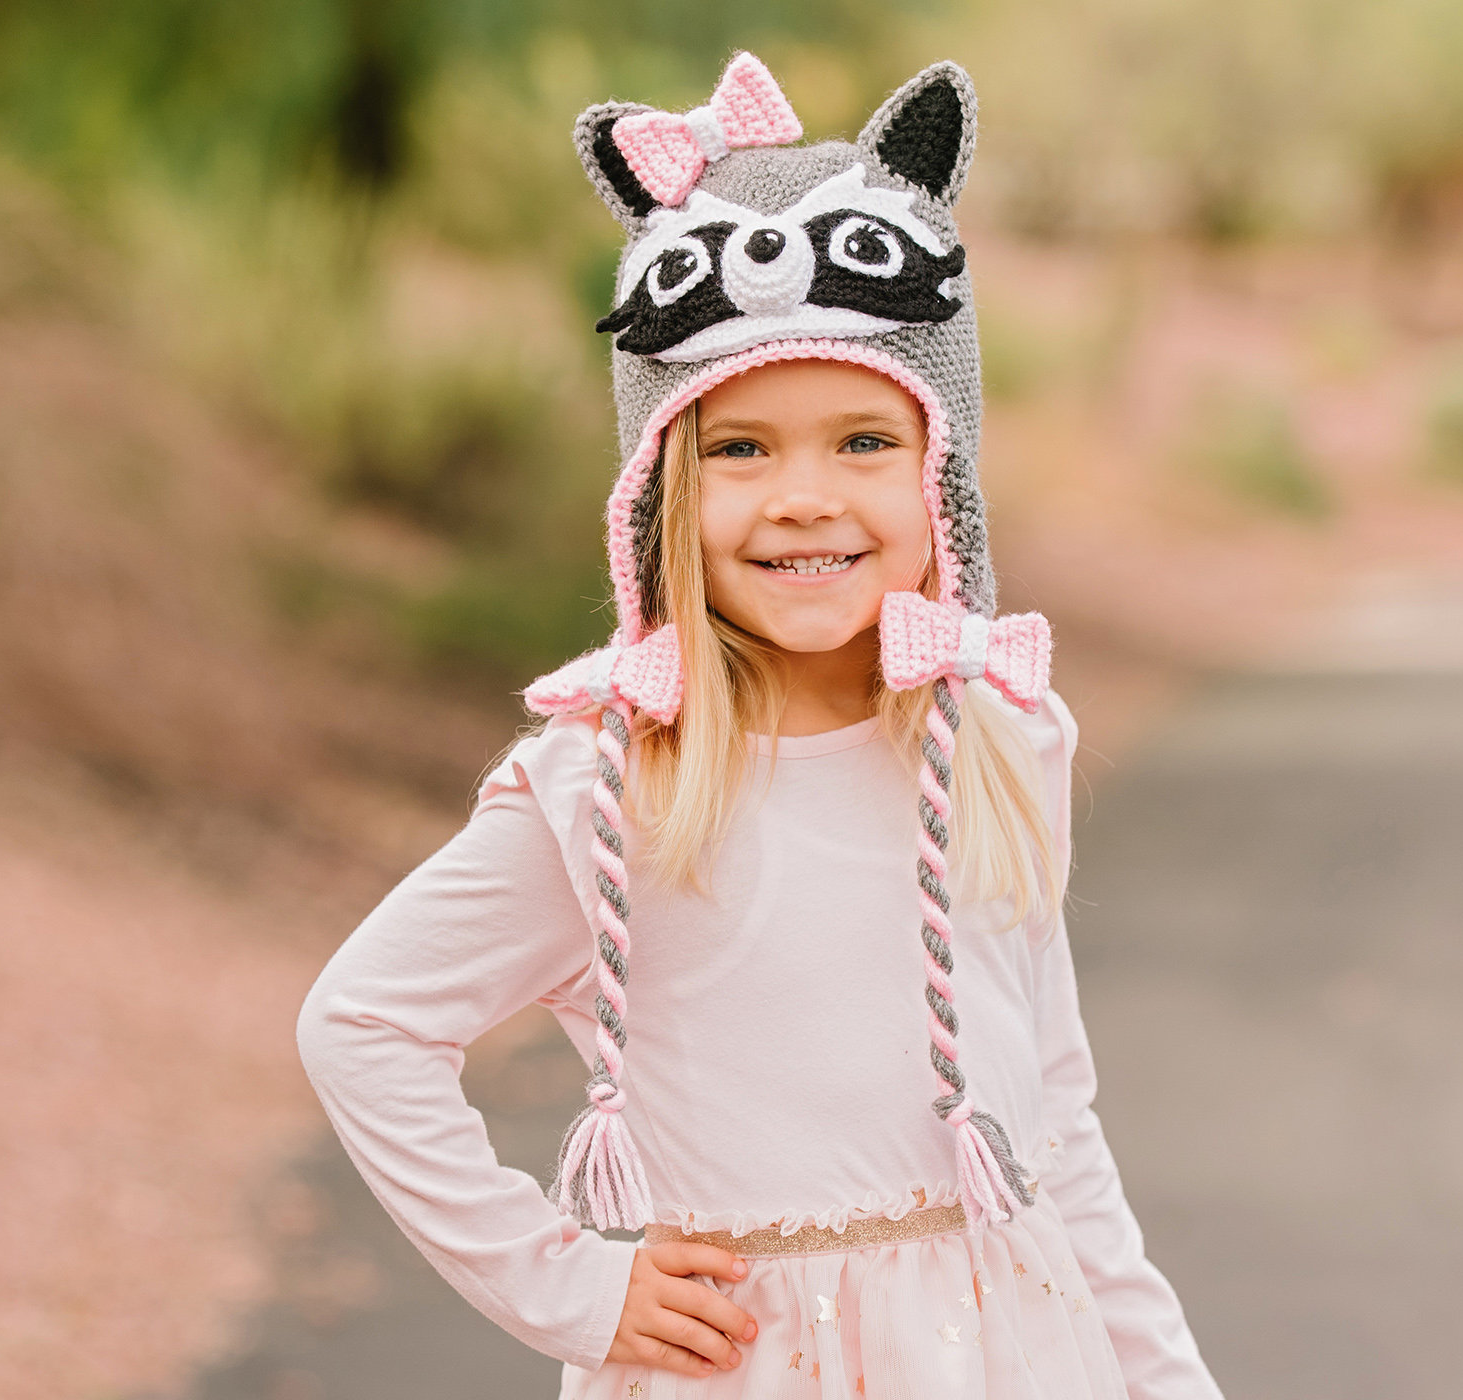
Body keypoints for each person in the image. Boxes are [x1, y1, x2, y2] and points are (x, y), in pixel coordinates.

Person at [297, 53, 1224, 1399]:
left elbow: (1056, 1131)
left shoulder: (1004, 745)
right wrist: (570, 1283)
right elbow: (364, 1026)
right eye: (741, 449)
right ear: (663, 494)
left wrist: (1168, 1382)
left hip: (1018, 1358)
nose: (805, 497)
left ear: (940, 476)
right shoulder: (614, 783)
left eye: (864, 442)